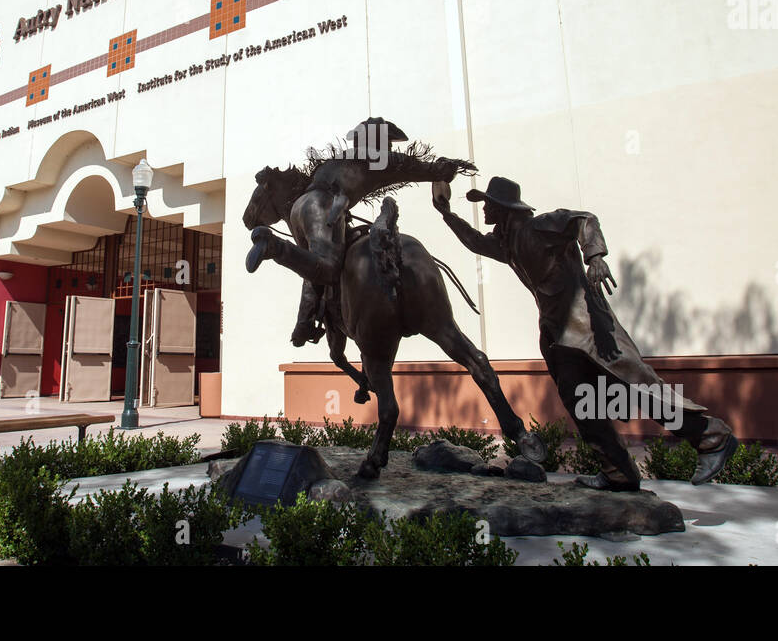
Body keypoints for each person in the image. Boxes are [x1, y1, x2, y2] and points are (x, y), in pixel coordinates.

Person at [434, 175, 739, 490]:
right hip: (561, 339)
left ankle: (712, 438)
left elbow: (584, 220)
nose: (484, 210)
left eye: (488, 204)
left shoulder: (541, 227)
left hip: (593, 330)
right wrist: (446, 214)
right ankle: (617, 472)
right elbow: (474, 241)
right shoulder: (507, 243)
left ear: (504, 208)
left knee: (640, 388)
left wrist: (595, 258)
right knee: (581, 402)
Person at [246, 117, 471, 346]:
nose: (390, 149)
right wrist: (442, 170)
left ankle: (304, 323)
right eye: (388, 143)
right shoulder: (376, 158)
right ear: (377, 140)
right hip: (322, 205)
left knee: (313, 268)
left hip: (303, 206)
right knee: (329, 268)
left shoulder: (345, 159)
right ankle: (275, 247)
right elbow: (411, 167)